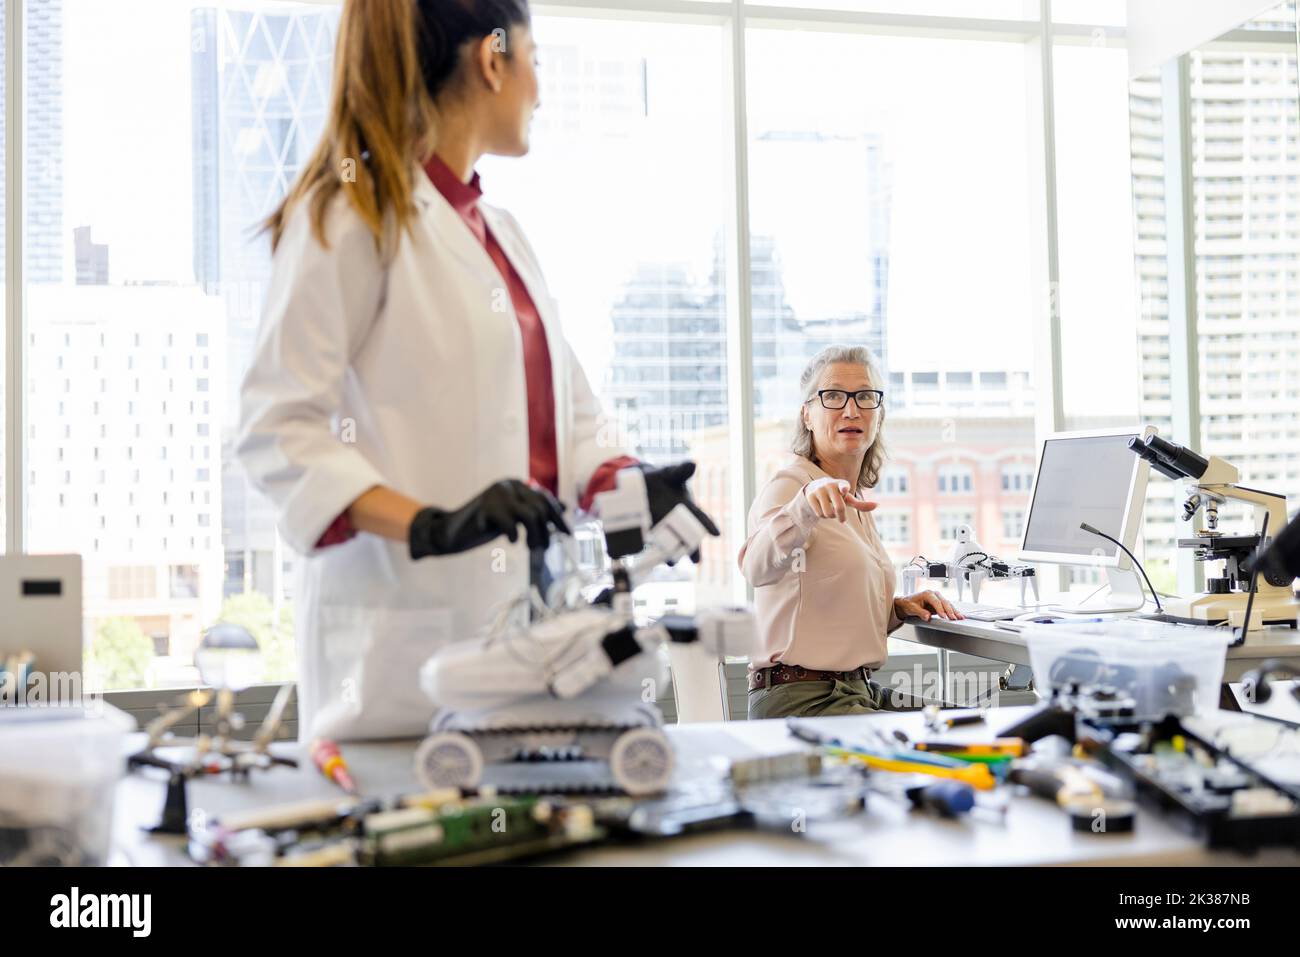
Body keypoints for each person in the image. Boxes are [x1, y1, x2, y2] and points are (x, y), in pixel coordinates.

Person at [238, 0, 713, 741]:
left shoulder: (503, 238)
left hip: (528, 640)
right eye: (535, 61)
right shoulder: (351, 211)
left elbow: (573, 423)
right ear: (493, 60)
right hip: (397, 662)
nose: (539, 88)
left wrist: (627, 482)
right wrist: (431, 524)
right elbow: (280, 428)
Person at [738, 346, 961, 719]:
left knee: (975, 725)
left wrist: (895, 609)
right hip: (802, 699)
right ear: (807, 415)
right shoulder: (792, 484)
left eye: (865, 397)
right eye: (834, 396)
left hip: (856, 690)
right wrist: (804, 506)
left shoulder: (852, 497)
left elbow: (826, 607)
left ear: (879, 414)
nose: (852, 409)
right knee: (957, 746)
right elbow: (757, 568)